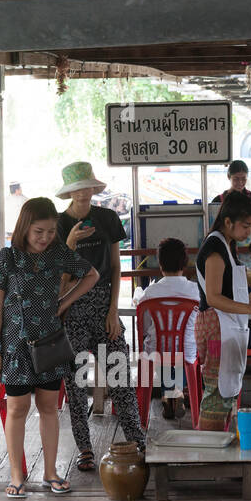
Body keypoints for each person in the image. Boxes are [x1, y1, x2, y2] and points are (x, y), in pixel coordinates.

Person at [0, 197, 98, 498]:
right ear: (24, 227)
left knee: (49, 408)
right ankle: (16, 474)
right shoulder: (6, 258)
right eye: (39, 231)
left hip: (49, 340)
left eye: (50, 231)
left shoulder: (59, 253)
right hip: (13, 346)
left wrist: (65, 301)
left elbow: (92, 275)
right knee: (17, 408)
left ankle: (50, 472)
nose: (45, 237)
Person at [55, 160, 147, 471]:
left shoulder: (106, 217)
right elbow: (59, 279)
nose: (84, 193)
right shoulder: (57, 225)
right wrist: (69, 244)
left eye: (87, 187)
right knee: (76, 384)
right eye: (77, 189)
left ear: (94, 188)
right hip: (71, 306)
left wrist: (112, 311)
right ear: (70, 192)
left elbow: (116, 267)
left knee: (120, 376)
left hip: (104, 304)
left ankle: (137, 439)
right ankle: (84, 448)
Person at [195, 190, 251, 430]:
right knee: (217, 394)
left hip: (226, 327)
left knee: (224, 395)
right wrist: (250, 307)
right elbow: (214, 297)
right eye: (246, 226)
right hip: (216, 327)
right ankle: (206, 454)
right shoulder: (216, 251)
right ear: (228, 222)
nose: (249, 232)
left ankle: (217, 449)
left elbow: (231, 290)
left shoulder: (227, 246)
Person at [135, 237, 199, 420]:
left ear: (160, 264)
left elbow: (145, 327)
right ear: (184, 264)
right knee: (181, 351)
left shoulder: (150, 293)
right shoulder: (195, 291)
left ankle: (170, 393)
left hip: (157, 351)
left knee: (161, 349)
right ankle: (175, 392)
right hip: (186, 350)